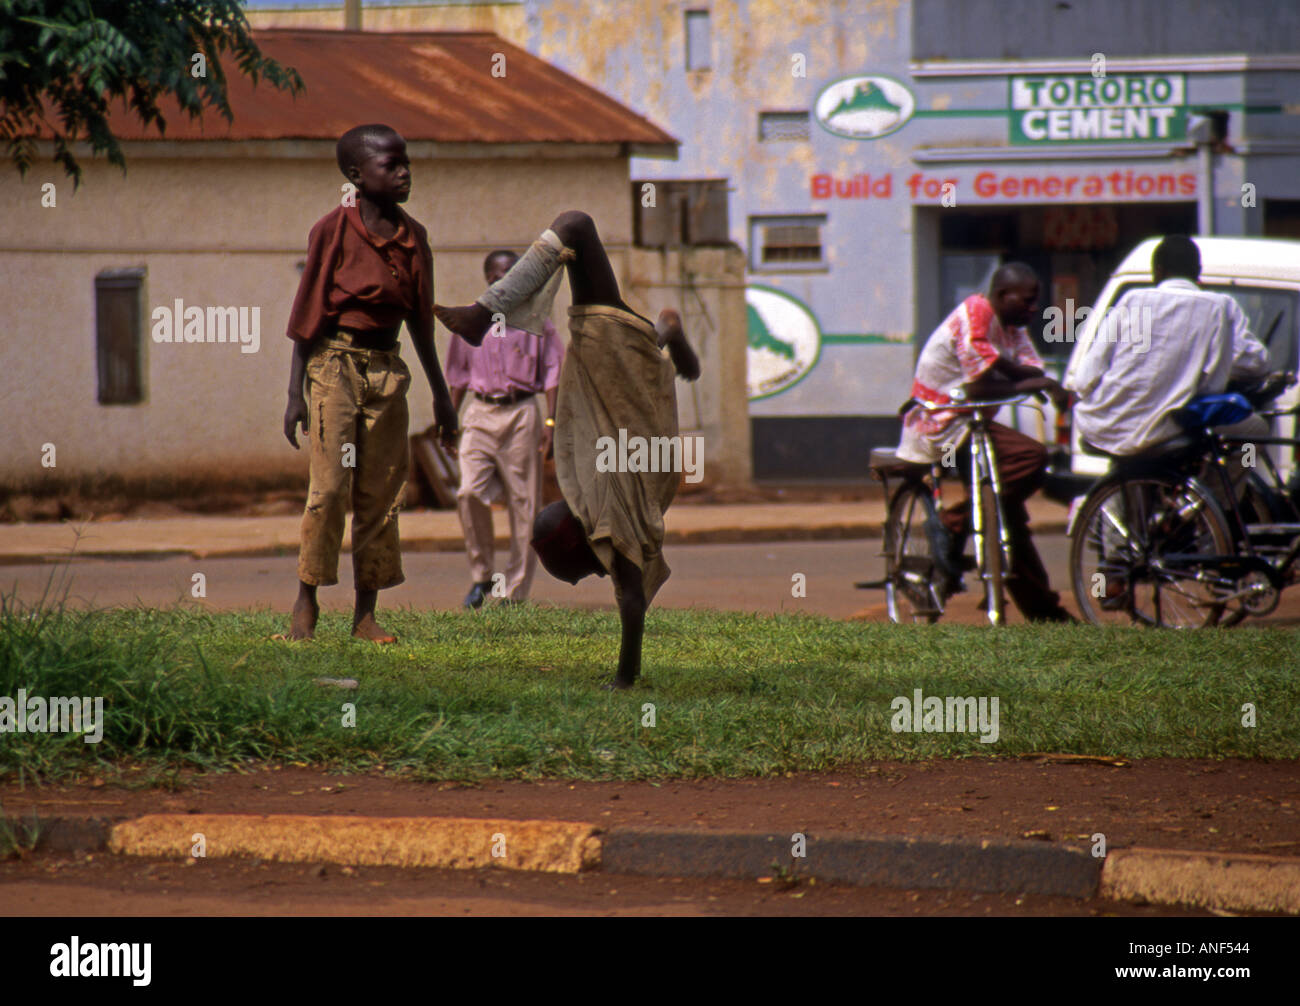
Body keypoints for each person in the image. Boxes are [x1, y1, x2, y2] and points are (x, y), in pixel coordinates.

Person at [435, 211, 699, 688]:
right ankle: (486, 314)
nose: (563, 502)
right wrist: (625, 676)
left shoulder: (608, 511)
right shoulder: (615, 520)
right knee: (575, 226)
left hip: (634, 389)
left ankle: (665, 337)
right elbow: (633, 604)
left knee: (577, 234)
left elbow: (632, 598)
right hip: (616, 373)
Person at [282, 123, 459, 642]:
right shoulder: (331, 231)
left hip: (387, 370)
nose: (404, 173)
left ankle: (365, 615)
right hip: (333, 365)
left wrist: (443, 399)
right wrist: (295, 394)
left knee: (381, 493)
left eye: (407, 163)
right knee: (331, 488)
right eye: (391, 165)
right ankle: (306, 601)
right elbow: (306, 316)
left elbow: (421, 324)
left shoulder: (414, 238)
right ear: (357, 176)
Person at [896, 263, 1074, 622]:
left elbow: (1027, 369)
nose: (1033, 308)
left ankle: (1046, 615)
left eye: (1035, 301)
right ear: (1002, 295)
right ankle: (955, 519)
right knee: (1030, 456)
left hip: (970, 424)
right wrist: (1029, 383)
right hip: (942, 427)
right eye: (1026, 300)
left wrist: (1028, 379)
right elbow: (980, 385)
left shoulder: (1011, 327)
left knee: (1008, 517)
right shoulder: (976, 314)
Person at [1066, 234, 1270, 504]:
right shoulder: (1218, 307)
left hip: (1112, 424)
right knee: (1254, 429)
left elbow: (1085, 377)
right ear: (1198, 273)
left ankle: (1122, 535)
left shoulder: (1132, 300)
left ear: (1157, 272)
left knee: (1124, 474)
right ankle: (1208, 509)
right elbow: (1233, 375)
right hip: (1172, 428)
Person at [444, 250, 564, 609]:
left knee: (524, 504)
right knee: (468, 492)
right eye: (496, 275)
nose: (502, 280)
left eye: (510, 274)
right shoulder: (470, 320)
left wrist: (551, 422)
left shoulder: (537, 322)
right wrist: (449, 421)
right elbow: (458, 376)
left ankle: (513, 593)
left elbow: (553, 372)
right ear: (487, 279)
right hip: (480, 413)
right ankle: (482, 576)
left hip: (522, 413)